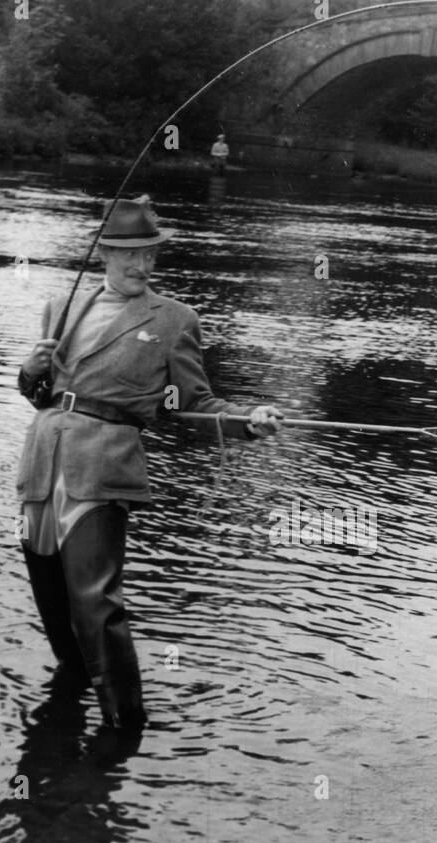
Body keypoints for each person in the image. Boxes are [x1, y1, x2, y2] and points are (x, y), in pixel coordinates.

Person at [16, 195, 282, 732]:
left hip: (103, 466)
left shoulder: (175, 320)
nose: (142, 265)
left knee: (96, 602)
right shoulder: (61, 306)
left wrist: (247, 420)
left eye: (150, 255)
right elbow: (40, 394)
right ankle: (67, 712)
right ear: (105, 254)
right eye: (130, 254)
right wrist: (29, 370)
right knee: (53, 602)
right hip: (42, 463)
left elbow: (194, 402)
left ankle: (124, 726)